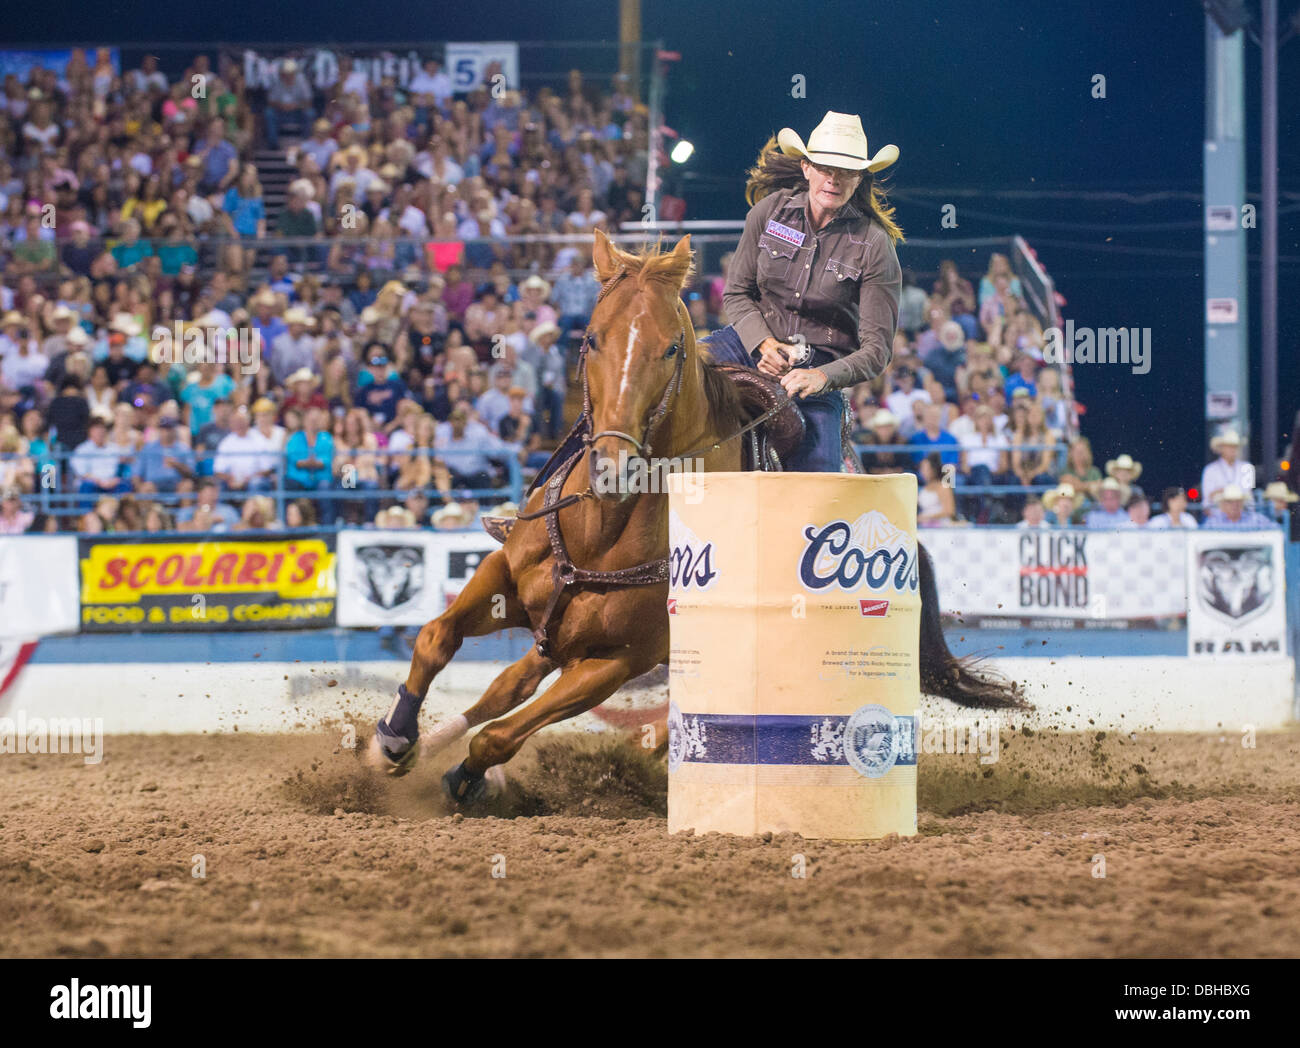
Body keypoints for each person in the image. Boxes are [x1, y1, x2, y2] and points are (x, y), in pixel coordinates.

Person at [710, 111, 902, 472]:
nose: (833, 179)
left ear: (859, 177)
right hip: (747, 343)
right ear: (806, 168)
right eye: (825, 167)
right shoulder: (769, 212)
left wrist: (822, 377)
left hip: (816, 368)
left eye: (845, 171)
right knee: (670, 375)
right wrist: (762, 344)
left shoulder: (875, 245)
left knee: (818, 472)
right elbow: (736, 292)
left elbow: (877, 351)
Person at [284, 407, 336, 525]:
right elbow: (294, 459)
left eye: (316, 420)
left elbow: (326, 460)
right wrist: (312, 463)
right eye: (311, 420)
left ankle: (327, 529)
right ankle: (288, 525)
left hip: (320, 479)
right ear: (305, 421)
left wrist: (306, 463)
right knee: (287, 485)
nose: (313, 423)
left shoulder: (326, 437)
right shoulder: (296, 437)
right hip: (298, 480)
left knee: (326, 488)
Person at [1200, 429, 1255, 507]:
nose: (1233, 450)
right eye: (1229, 446)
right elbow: (1207, 500)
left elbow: (1249, 497)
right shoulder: (1210, 470)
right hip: (1217, 514)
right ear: (1221, 448)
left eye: (1235, 447)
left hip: (1242, 514)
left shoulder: (1247, 467)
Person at [1204, 484, 1275, 529]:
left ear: (1242, 503)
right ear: (1223, 505)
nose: (1235, 505)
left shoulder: (1256, 519)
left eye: (1238, 501)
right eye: (1230, 501)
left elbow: (1277, 530)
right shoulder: (1213, 522)